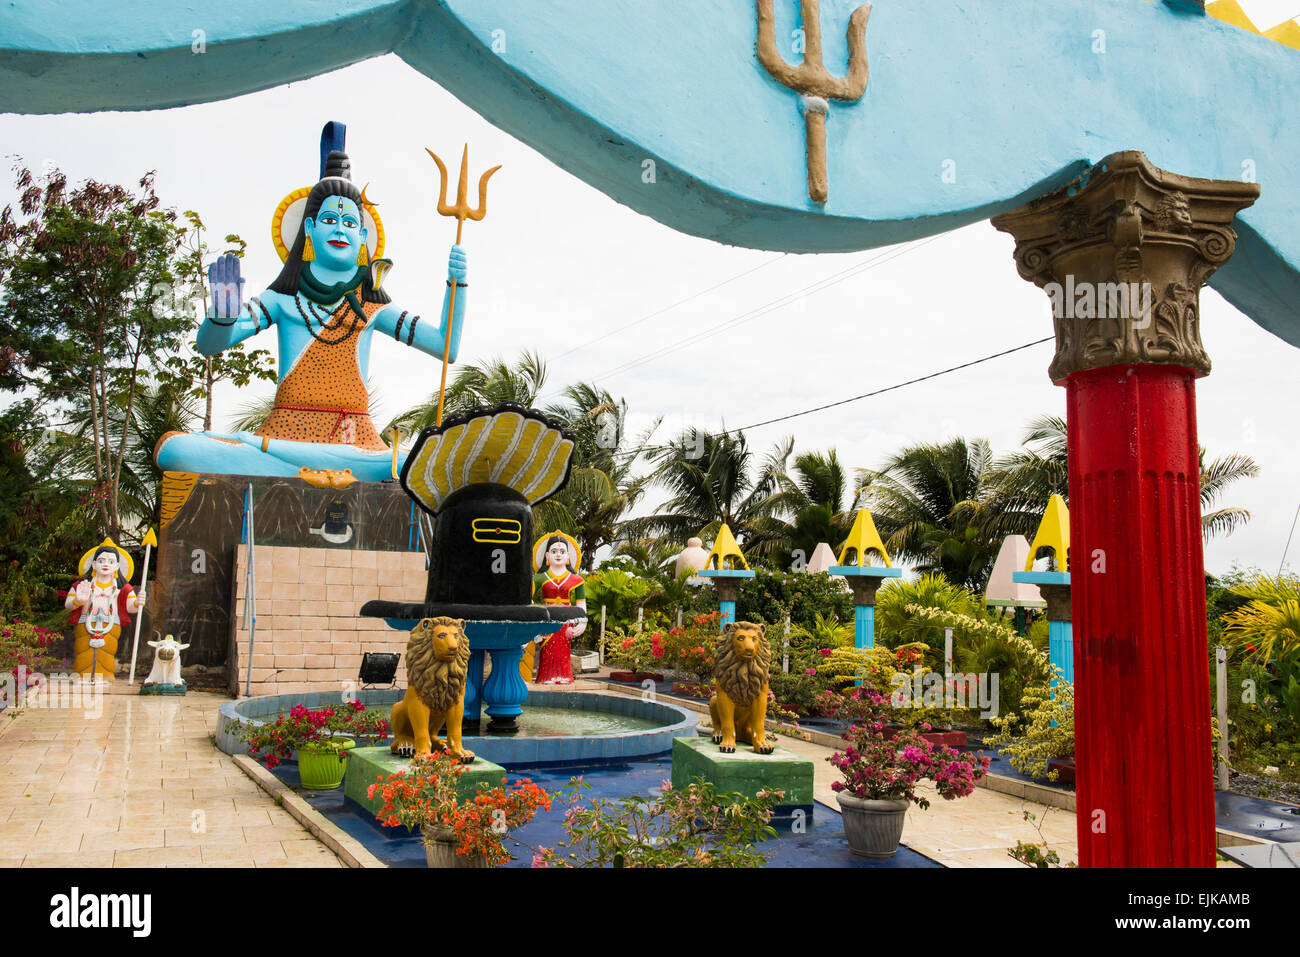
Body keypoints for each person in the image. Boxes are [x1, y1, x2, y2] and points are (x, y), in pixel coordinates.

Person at [154, 148, 468, 481]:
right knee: (178, 452)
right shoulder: (283, 299)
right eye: (330, 220)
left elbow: (445, 346)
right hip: (281, 439)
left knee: (426, 464)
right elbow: (210, 345)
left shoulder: (373, 305)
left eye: (349, 223)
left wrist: (457, 285)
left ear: (363, 236)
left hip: (355, 443)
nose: (340, 230)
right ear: (309, 227)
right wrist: (222, 314)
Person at [65, 539, 144, 680]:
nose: (106, 564)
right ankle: (81, 677)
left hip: (111, 625)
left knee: (106, 654)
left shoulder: (123, 588)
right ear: (93, 564)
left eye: (110, 562)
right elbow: (68, 605)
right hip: (85, 624)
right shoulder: (81, 585)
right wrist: (79, 600)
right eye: (101, 561)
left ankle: (105, 678)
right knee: (83, 653)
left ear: (117, 566)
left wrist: (138, 603)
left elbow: (131, 608)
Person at [523, 532, 587, 684]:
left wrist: (582, 623)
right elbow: (526, 598)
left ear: (568, 556)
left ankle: (564, 676)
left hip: (566, 622)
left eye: (562, 552)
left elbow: (581, 604)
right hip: (547, 620)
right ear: (547, 555)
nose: (558, 555)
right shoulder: (540, 578)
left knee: (563, 651)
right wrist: (534, 615)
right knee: (547, 651)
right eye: (554, 551)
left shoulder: (577, 580)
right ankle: (546, 677)